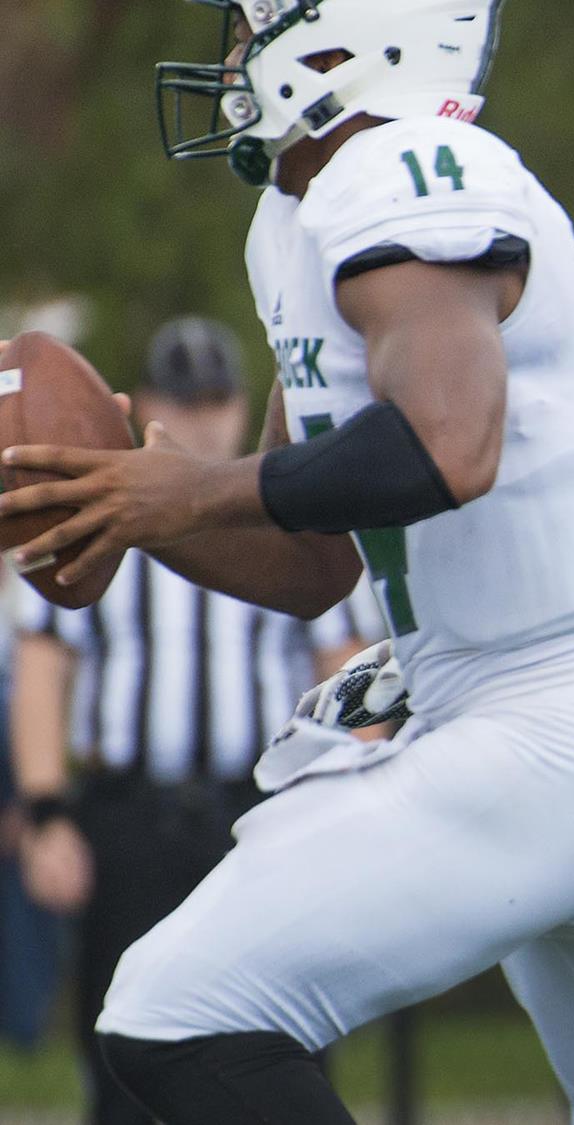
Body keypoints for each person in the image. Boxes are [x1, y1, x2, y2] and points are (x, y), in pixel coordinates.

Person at [0, 4, 574, 1122]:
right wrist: (136, 506)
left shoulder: (399, 168)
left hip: (556, 714)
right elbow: (312, 561)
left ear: (350, 42)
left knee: (177, 1012)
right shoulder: (299, 215)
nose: (230, 61)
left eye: (251, 31)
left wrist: (195, 487)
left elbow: (450, 448)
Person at [10, 315, 383, 1125]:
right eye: (185, 400)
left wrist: (358, 802)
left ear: (241, 404)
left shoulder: (282, 520)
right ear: (143, 405)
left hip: (258, 814)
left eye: (217, 401)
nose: (203, 419)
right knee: (124, 1053)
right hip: (132, 812)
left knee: (277, 1038)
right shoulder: (104, 518)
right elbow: (46, 666)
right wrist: (45, 813)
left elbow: (345, 666)